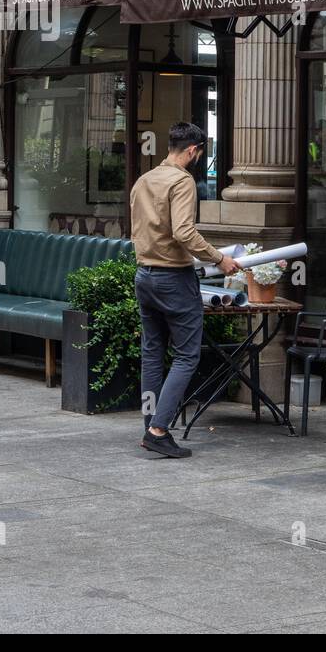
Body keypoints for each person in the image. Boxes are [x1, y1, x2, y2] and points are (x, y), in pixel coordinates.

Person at [130, 121, 237, 458]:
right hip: (173, 279)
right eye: (199, 153)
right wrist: (220, 259)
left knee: (152, 352)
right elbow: (184, 232)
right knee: (187, 355)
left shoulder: (144, 180)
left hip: (144, 276)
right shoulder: (182, 181)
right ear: (193, 151)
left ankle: (150, 421)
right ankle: (159, 430)